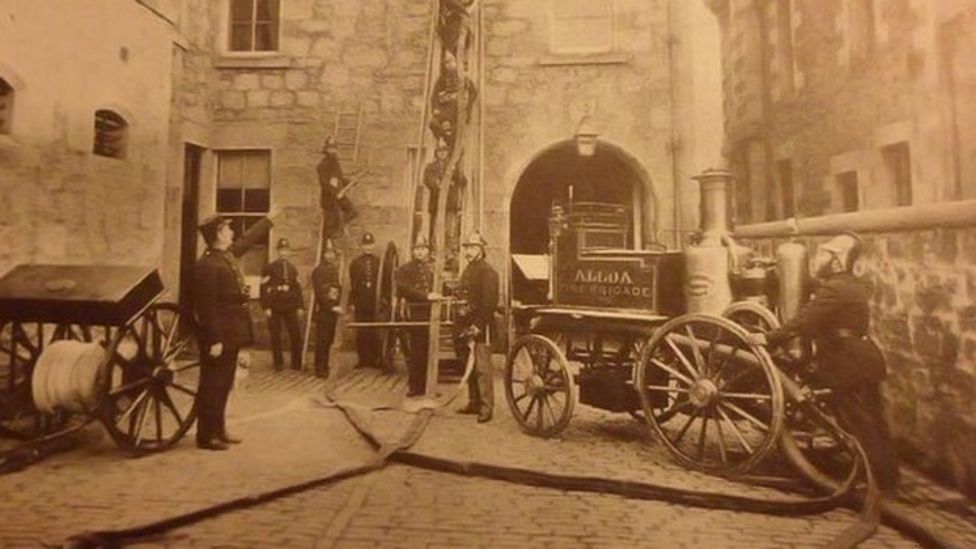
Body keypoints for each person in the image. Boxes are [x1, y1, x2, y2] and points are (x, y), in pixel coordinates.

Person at [749, 232, 900, 492]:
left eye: (823, 255)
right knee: (872, 421)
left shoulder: (835, 288)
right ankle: (887, 478)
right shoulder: (847, 284)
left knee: (860, 424)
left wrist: (768, 338)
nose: (817, 259)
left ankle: (877, 485)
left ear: (838, 262)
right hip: (861, 358)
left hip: (849, 361)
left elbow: (804, 320)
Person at [193, 212, 276, 450]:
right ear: (218, 234)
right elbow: (206, 307)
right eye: (227, 229)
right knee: (212, 385)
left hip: (230, 333)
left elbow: (245, 242)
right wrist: (214, 339)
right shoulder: (207, 265)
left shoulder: (223, 256)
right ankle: (206, 436)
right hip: (219, 336)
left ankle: (218, 429)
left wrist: (268, 222)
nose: (231, 232)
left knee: (223, 383)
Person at [454, 232, 498, 423]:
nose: (469, 251)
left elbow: (489, 303)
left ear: (481, 250)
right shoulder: (468, 270)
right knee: (468, 366)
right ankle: (474, 403)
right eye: (467, 248)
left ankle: (486, 408)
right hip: (464, 325)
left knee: (482, 369)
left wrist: (478, 326)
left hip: (481, 327)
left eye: (473, 248)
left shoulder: (488, 272)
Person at [397, 235, 439, 397]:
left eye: (423, 249)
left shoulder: (432, 269)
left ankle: (428, 386)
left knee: (431, 350)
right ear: (413, 251)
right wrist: (426, 296)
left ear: (427, 251)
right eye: (417, 249)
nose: (420, 252)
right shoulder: (405, 270)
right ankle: (415, 386)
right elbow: (404, 289)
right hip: (415, 313)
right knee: (417, 351)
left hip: (431, 313)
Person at [260, 237, 305, 371]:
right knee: (276, 334)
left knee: (295, 334)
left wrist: (300, 306)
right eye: (281, 250)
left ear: (289, 252)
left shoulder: (292, 269)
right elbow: (263, 288)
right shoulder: (270, 267)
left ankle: (296, 363)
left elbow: (297, 288)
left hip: (290, 305)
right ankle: (278, 363)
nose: (284, 253)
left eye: (286, 250)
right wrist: (266, 307)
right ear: (278, 251)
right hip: (275, 305)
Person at [422, 139, 467, 256]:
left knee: (450, 228)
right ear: (436, 153)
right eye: (439, 151)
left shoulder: (453, 166)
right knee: (437, 228)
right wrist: (438, 184)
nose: (442, 153)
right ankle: (436, 252)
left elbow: (463, 181)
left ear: (447, 152)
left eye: (444, 151)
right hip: (437, 203)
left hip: (450, 203)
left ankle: (450, 252)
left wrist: (455, 173)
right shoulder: (431, 167)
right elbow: (428, 180)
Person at [429, 52, 477, 146]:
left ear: (456, 63)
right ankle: (445, 141)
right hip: (444, 110)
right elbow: (434, 96)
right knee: (433, 123)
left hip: (457, 111)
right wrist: (436, 108)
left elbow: (473, 93)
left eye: (451, 62)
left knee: (457, 130)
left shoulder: (464, 78)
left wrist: (467, 102)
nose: (449, 65)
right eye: (446, 63)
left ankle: (451, 147)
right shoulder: (442, 79)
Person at [311, 240, 343, 378]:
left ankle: (327, 365)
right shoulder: (319, 271)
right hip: (324, 310)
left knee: (330, 340)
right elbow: (320, 292)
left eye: (332, 253)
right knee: (322, 340)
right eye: (327, 253)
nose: (330, 256)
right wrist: (331, 306)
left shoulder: (334, 270)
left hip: (334, 311)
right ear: (323, 254)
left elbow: (336, 290)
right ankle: (320, 367)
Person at [349, 232, 380, 369]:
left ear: (374, 245)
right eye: (365, 244)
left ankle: (374, 359)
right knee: (361, 330)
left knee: (374, 329)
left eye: (370, 244)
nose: (368, 247)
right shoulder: (355, 263)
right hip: (361, 301)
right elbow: (353, 284)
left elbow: (384, 283)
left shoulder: (379, 262)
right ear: (361, 246)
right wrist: (352, 302)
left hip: (375, 301)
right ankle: (362, 359)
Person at [317, 136, 358, 238]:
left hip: (339, 196)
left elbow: (339, 179)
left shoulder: (335, 162)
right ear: (326, 149)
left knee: (353, 211)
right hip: (329, 199)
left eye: (334, 148)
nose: (333, 151)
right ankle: (331, 241)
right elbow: (324, 184)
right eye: (330, 148)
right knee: (330, 225)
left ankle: (339, 227)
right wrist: (335, 193)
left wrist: (350, 182)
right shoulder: (322, 165)